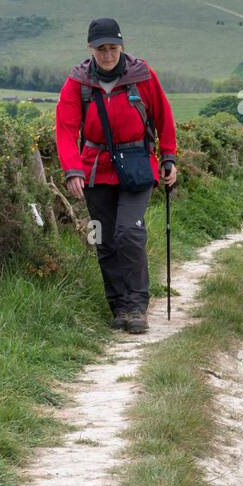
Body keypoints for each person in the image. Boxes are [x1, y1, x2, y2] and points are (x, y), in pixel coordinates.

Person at [56, 18, 178, 333]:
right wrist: (72, 170)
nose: (108, 54)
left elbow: (163, 117)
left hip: (137, 166)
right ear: (90, 49)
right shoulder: (78, 82)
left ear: (121, 46)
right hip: (96, 170)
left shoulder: (142, 75)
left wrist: (169, 156)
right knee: (105, 240)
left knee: (129, 233)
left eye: (113, 47)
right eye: (101, 49)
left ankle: (138, 306)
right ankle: (119, 307)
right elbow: (66, 130)